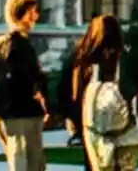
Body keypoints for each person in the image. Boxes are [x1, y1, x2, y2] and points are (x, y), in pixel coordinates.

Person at [76, 16, 138, 171]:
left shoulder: (85, 58)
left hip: (94, 124)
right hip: (122, 126)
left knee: (97, 164)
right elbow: (132, 88)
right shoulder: (122, 57)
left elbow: (74, 91)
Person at [0, 0, 50, 171]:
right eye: (31, 12)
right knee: (24, 163)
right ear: (20, 14)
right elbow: (26, 78)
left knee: (31, 163)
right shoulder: (16, 46)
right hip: (20, 114)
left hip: (21, 113)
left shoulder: (11, 44)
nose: (36, 16)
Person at [60, 15, 102, 170]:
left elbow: (65, 88)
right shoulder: (85, 57)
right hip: (90, 116)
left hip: (86, 116)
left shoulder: (79, 55)